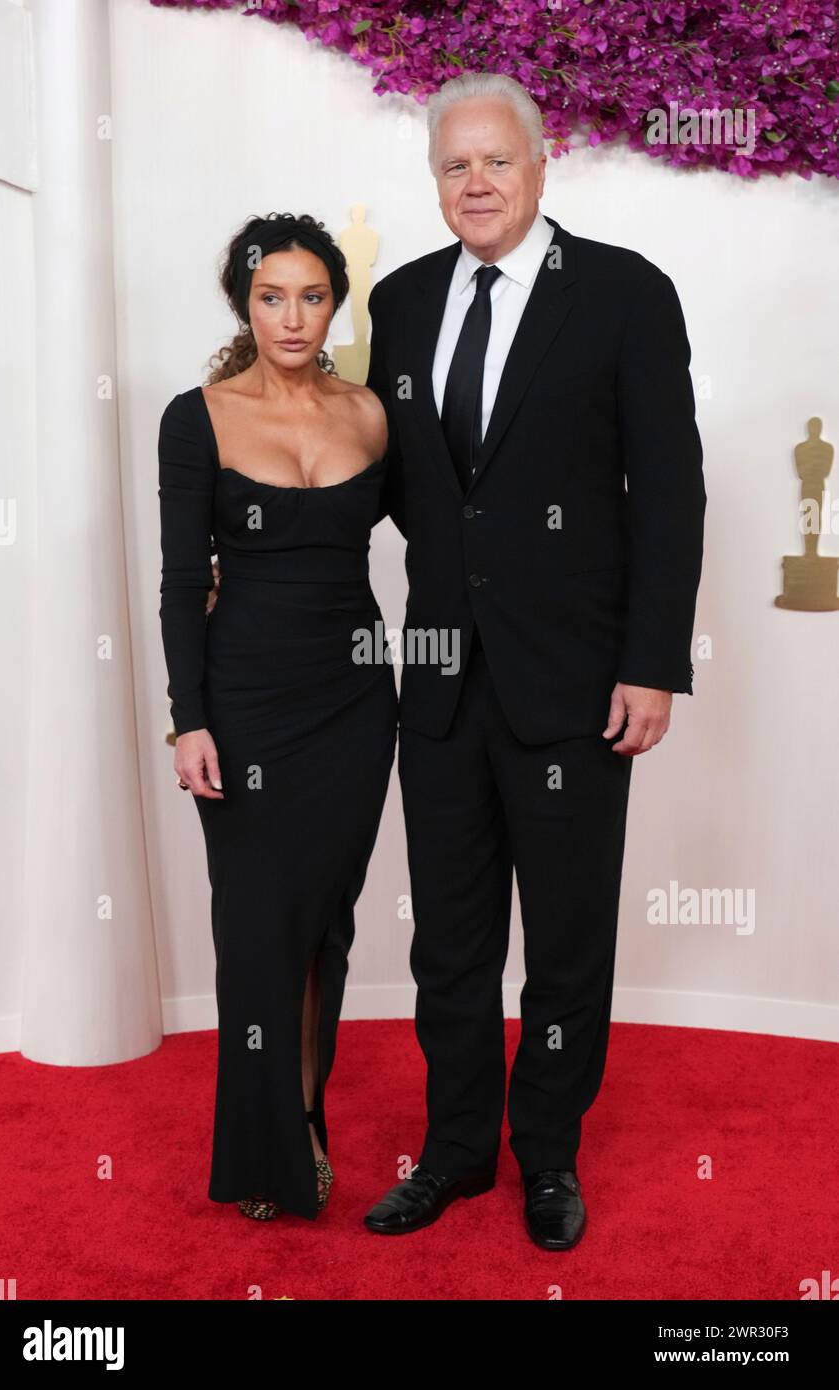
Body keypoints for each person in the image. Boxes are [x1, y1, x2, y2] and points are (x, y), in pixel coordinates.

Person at [364, 73, 706, 1249]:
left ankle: (546, 1153)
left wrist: (651, 662)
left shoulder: (621, 293)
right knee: (447, 941)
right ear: (434, 179)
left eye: (495, 161)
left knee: (564, 938)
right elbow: (399, 484)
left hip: (574, 682)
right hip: (439, 682)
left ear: (540, 163)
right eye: (453, 165)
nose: (475, 183)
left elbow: (669, 493)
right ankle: (454, 1151)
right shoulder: (400, 301)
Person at [158, 212, 397, 1221]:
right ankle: (263, 1146)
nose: (292, 317)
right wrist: (190, 719)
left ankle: (302, 1118)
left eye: (311, 296)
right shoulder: (198, 417)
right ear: (243, 304)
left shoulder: (372, 415)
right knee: (258, 928)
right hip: (244, 703)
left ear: (334, 305)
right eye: (270, 297)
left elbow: (457, 534)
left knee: (320, 927)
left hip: (355, 701)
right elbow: (181, 582)